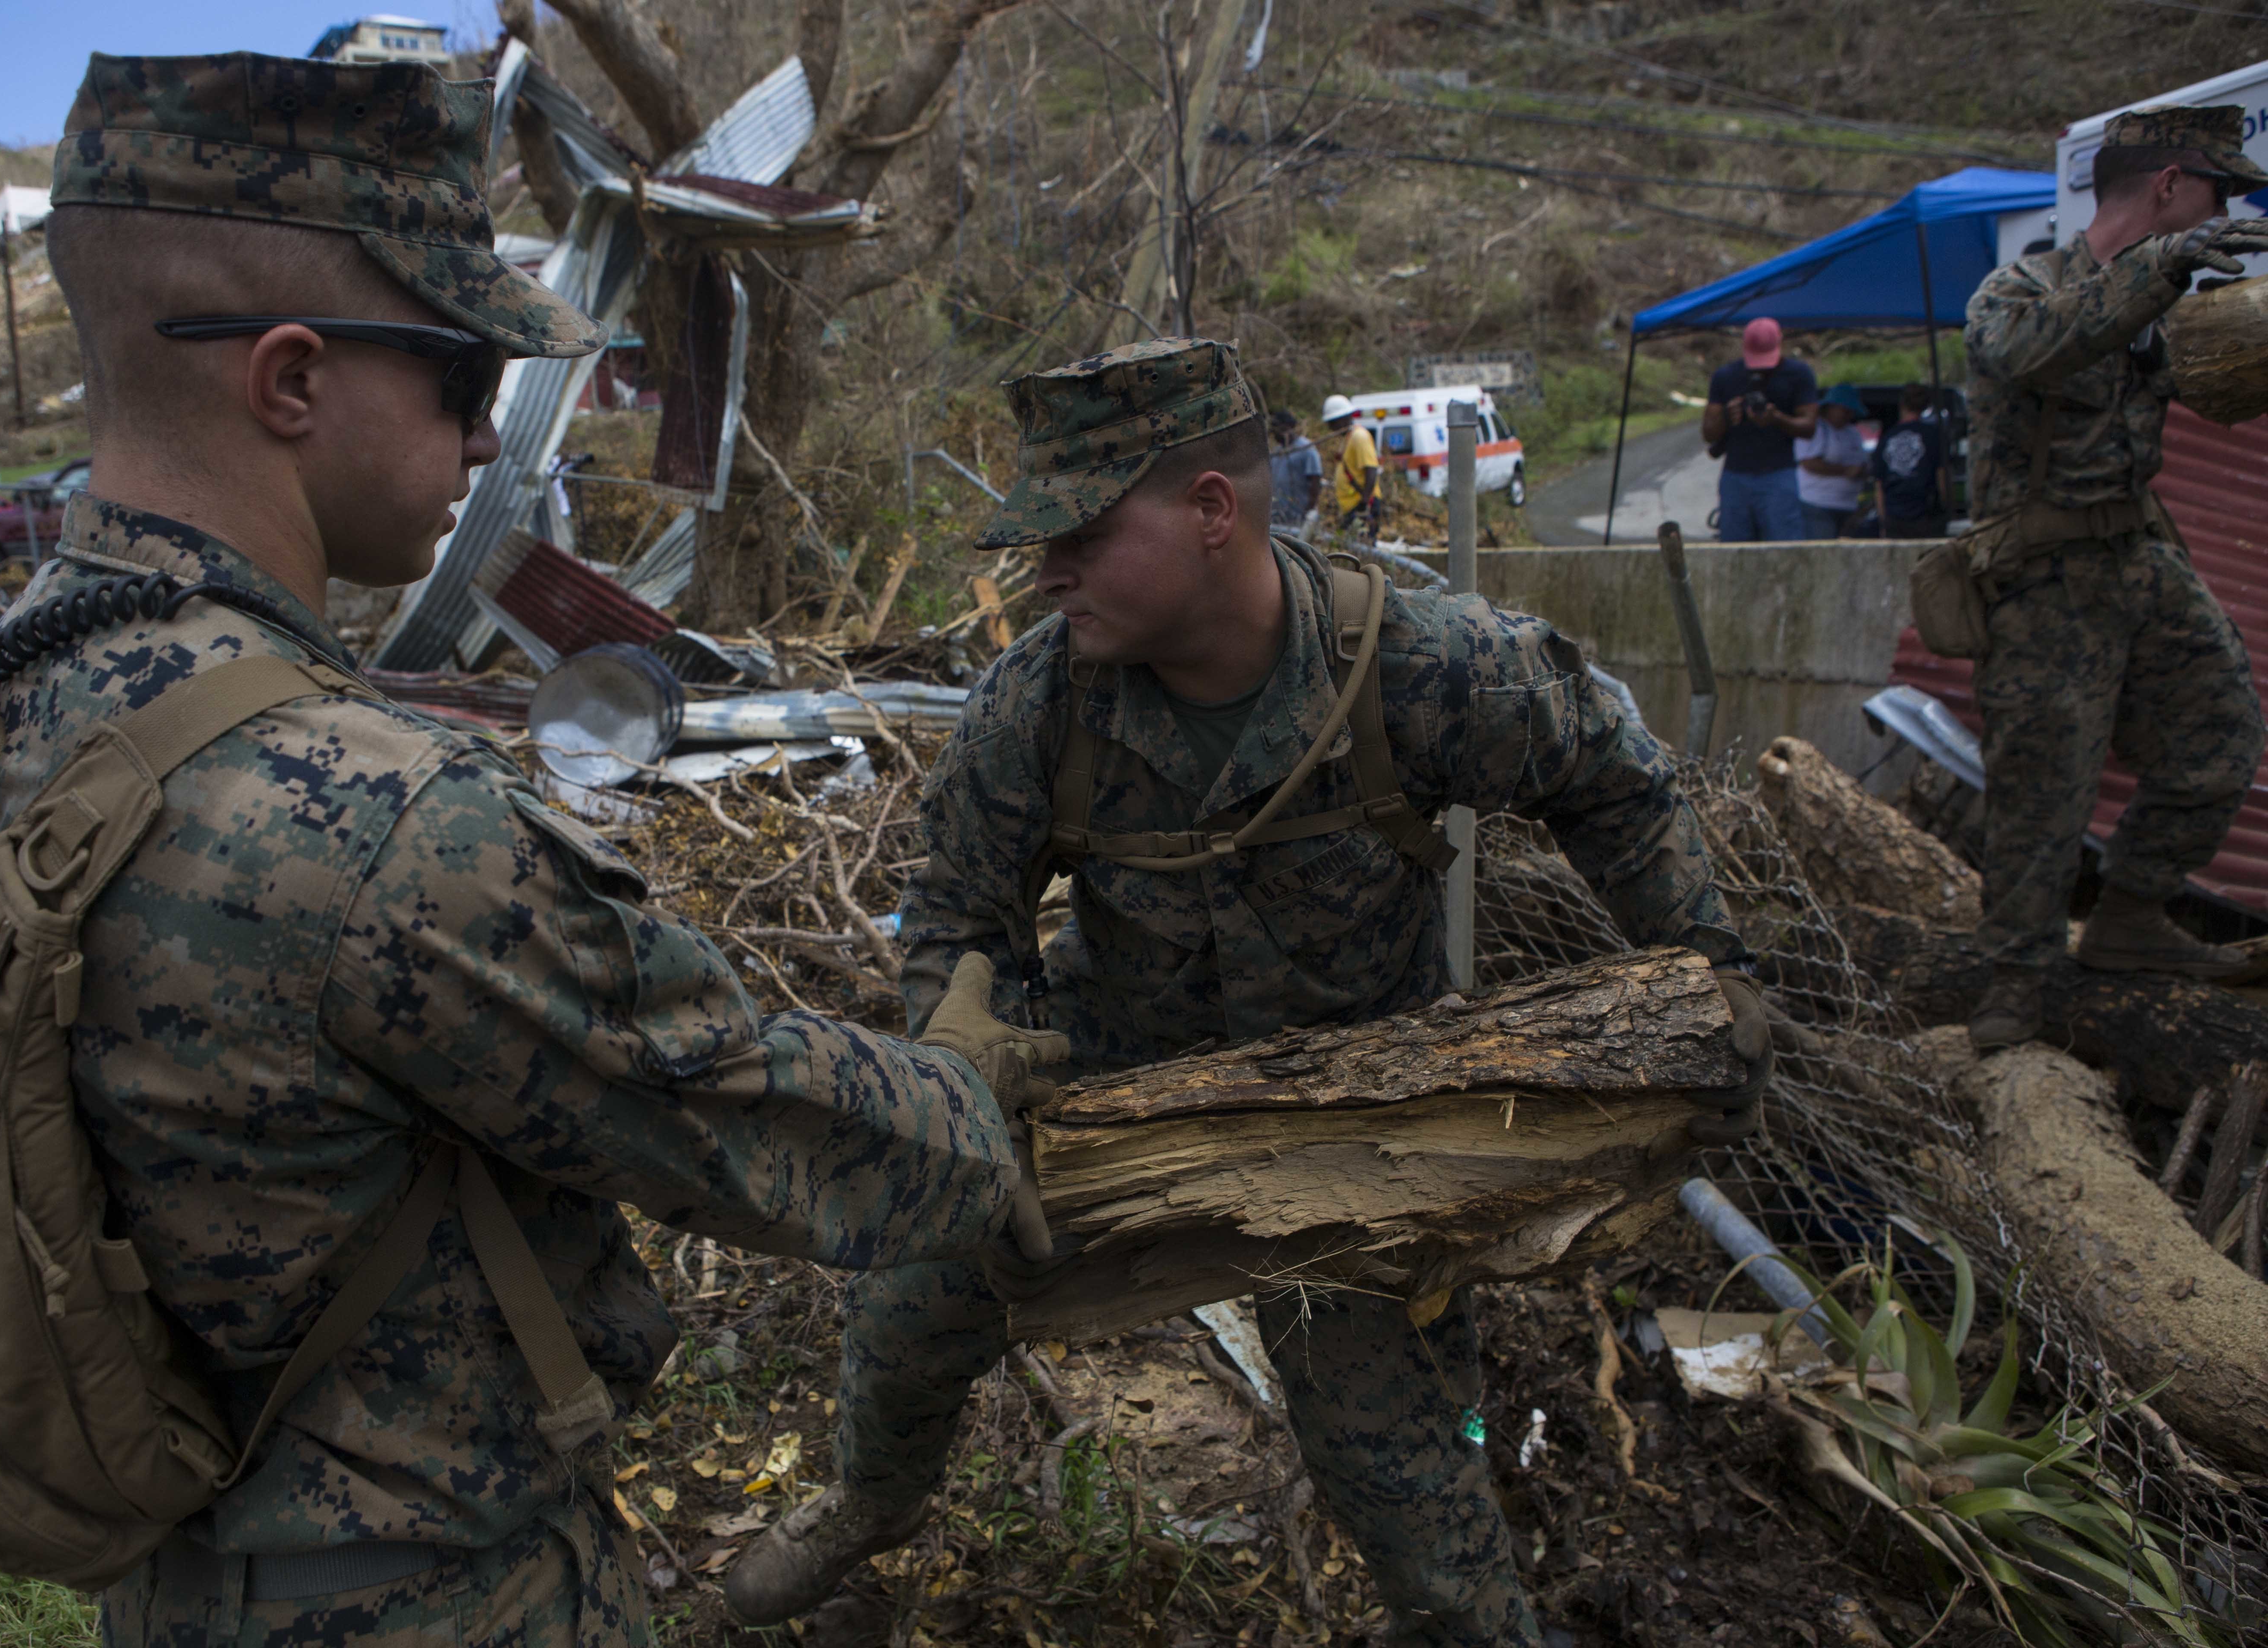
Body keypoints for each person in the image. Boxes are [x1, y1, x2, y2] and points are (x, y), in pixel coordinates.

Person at [15, 52, 1043, 1645]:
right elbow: (722, 1108)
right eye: (461, 379)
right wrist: (965, 1091)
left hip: (169, 1576)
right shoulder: (369, 818)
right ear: (290, 381)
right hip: (437, 1596)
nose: (494, 440)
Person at [726, 337, 1774, 1647]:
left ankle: (1469, 1611)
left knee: (1420, 1493)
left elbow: (1612, 772)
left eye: (1081, 536)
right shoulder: (1038, 704)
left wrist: (1708, 968)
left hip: (1364, 1127)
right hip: (1117, 1086)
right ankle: (865, 1504)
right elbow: (959, 911)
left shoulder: (1417, 664)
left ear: (1212, 512)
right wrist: (961, 1036)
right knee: (911, 1288)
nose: (1045, 572)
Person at [1960, 103, 2268, 1051]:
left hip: (2138, 559)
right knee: (2043, 785)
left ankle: (2131, 914)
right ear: (2172, 185)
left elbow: (2218, 381)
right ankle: (2016, 979)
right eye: (2219, 192)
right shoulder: (2019, 288)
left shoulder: (2161, 303)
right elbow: (2026, 350)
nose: (2225, 215)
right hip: (2043, 577)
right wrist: (2159, 268)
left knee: (2223, 731)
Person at [1700, 317, 1819, 541]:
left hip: (1779, 473)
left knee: (1783, 546)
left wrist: (1777, 419)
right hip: (1736, 474)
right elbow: (1708, 433)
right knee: (1735, 548)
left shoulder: (1799, 374)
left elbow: (1809, 428)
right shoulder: (1726, 376)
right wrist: (1727, 415)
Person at [1871, 383, 1951, 538]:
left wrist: (1883, 522)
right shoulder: (1934, 435)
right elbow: (1943, 477)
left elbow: (1879, 485)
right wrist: (1947, 507)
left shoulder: (1887, 437)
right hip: (1926, 515)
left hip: (1895, 516)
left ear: (1902, 404)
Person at [1794, 384, 1870, 538]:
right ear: (1830, 408)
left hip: (1849, 505)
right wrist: (1845, 471)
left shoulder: (1853, 432)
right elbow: (1808, 463)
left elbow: (1864, 462)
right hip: (1818, 505)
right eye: (1844, 410)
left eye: (1851, 411)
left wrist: (1861, 471)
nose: (1848, 415)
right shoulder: (1815, 429)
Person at [1322, 391, 1383, 535]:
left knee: (1361, 543)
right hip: (1353, 506)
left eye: (1333, 423)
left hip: (1361, 507)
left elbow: (1371, 469)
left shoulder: (1359, 437)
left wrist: (1364, 503)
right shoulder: (1348, 438)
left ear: (1343, 419)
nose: (1331, 428)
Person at [1267, 406, 1322, 529]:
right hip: (1279, 516)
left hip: (1299, 517)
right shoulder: (1277, 452)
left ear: (1286, 428)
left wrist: (1308, 512)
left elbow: (1315, 482)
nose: (1274, 435)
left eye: (1276, 431)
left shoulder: (1307, 449)